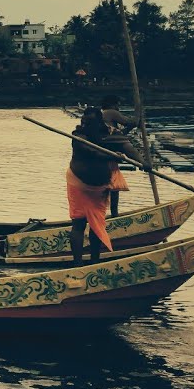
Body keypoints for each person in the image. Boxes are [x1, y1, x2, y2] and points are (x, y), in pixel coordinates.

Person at [67, 106, 139, 264]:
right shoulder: (78, 135)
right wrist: (111, 156)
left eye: (91, 122)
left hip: (99, 186)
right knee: (79, 222)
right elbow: (90, 151)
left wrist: (143, 162)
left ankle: (94, 261)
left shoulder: (110, 134)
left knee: (96, 223)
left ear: (99, 122)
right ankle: (77, 263)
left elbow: (126, 145)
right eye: (85, 122)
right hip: (78, 183)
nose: (86, 125)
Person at [100, 94, 137, 218]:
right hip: (108, 153)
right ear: (112, 105)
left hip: (107, 154)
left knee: (112, 187)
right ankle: (113, 214)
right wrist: (138, 116)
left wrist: (131, 127)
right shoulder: (110, 112)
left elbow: (120, 134)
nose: (118, 107)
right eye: (117, 105)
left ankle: (110, 214)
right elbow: (128, 121)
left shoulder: (103, 115)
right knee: (112, 187)